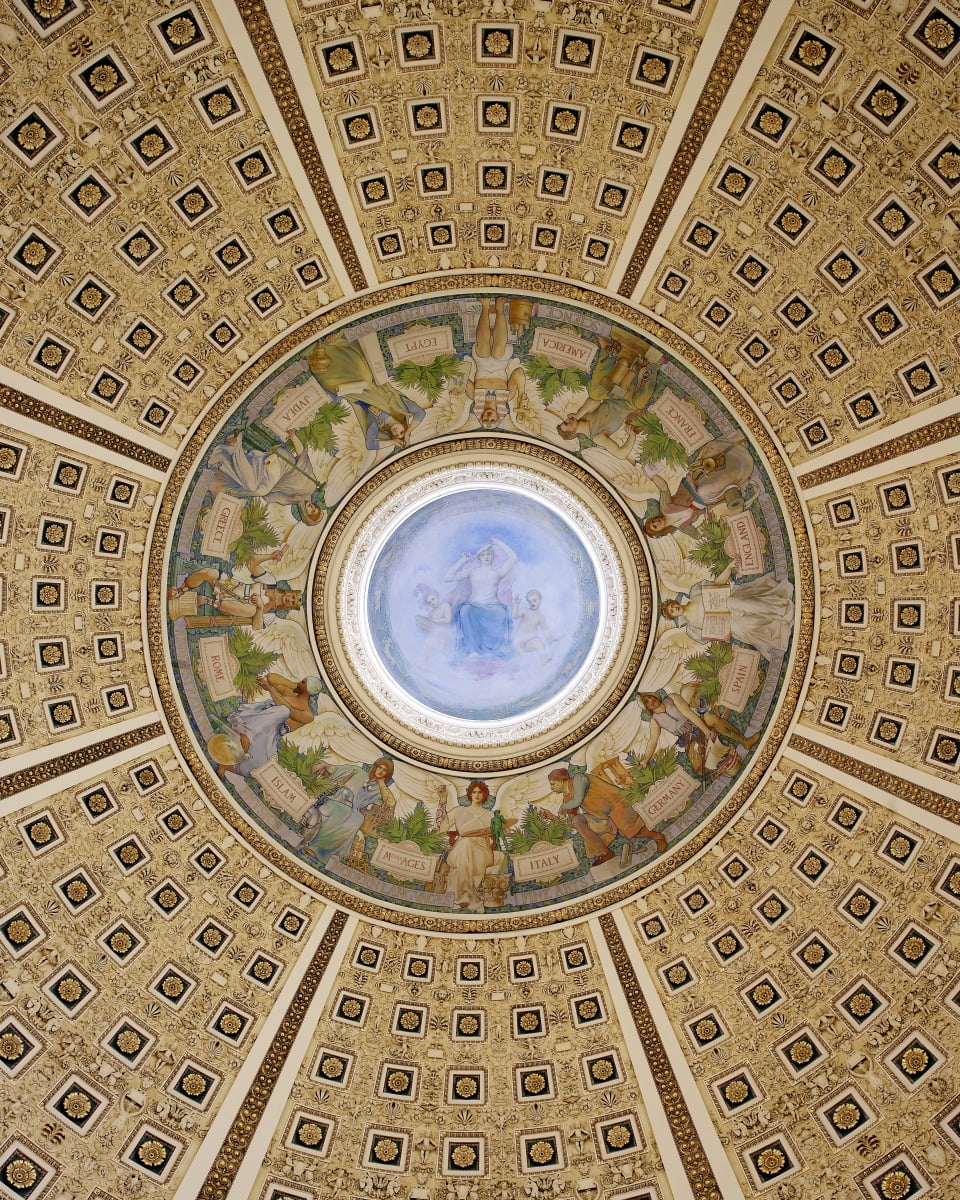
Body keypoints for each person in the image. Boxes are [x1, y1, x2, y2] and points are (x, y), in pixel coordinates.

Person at [308, 332, 424, 449]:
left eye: (395, 435)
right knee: (364, 376)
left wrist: (393, 443)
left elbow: (370, 445)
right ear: (405, 426)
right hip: (371, 384)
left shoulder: (378, 423)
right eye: (401, 432)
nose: (397, 432)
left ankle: (317, 354)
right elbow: (421, 412)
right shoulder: (401, 409)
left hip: (356, 393)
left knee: (331, 384)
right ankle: (334, 343)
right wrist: (409, 432)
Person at [661, 563, 794, 660]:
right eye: (672, 611)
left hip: (728, 601)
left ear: (675, 602)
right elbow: (712, 635)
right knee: (744, 626)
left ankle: (781, 609)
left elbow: (717, 583)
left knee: (741, 603)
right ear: (674, 616)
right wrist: (723, 637)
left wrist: (728, 567)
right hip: (729, 624)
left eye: (672, 606)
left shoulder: (695, 591)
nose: (674, 609)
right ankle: (778, 625)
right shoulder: (692, 630)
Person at [549, 765, 667, 864]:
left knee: (631, 831)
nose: (551, 788)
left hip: (617, 805)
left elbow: (578, 800)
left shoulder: (579, 779)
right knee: (577, 821)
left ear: (561, 780)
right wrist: (552, 817)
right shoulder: (567, 798)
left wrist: (563, 807)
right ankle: (607, 853)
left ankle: (657, 836)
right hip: (602, 817)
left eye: (553, 784)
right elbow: (567, 821)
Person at [642, 438, 755, 538]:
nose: (656, 522)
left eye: (653, 521)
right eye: (655, 526)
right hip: (707, 501)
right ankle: (740, 472)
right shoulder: (683, 526)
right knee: (719, 488)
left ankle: (737, 452)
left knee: (709, 486)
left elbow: (663, 488)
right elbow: (697, 535)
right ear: (661, 531)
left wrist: (652, 476)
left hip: (693, 487)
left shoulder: (665, 508)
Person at [444, 537, 517, 662]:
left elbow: (513, 559)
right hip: (474, 606)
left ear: (492, 556)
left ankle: (494, 651)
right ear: (479, 558)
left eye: (489, 554)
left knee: (501, 612)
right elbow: (447, 577)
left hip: (493, 607)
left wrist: (498, 543)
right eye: (483, 555)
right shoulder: (472, 571)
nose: (486, 557)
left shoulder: (498, 572)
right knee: (465, 610)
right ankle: (473, 651)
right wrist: (462, 560)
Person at [637, 692, 736, 779]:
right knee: (698, 768)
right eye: (646, 701)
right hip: (688, 739)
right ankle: (720, 766)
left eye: (649, 696)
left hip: (698, 724)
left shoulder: (671, 698)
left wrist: (706, 731)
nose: (650, 699)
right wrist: (646, 760)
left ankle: (744, 741)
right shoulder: (655, 721)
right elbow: (653, 741)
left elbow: (689, 714)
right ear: (647, 708)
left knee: (713, 720)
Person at [467, 297, 525, 427]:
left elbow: (463, 380)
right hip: (500, 364)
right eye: (492, 420)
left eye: (485, 420)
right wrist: (522, 393)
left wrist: (456, 388)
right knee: (498, 351)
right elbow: (518, 373)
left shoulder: (474, 397)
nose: (488, 417)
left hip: (482, 365)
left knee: (483, 349)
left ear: (480, 415)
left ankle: (485, 307)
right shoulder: (507, 397)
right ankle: (499, 308)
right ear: (498, 416)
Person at [443, 781, 497, 911]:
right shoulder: (459, 811)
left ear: (485, 795)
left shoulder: (491, 815)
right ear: (469, 794)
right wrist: (442, 799)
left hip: (482, 853)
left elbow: (497, 836)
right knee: (465, 844)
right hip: (458, 852)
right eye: (474, 792)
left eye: (480, 792)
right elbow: (442, 825)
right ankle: (470, 895)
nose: (477, 795)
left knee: (467, 844)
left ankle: (462, 896)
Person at [356, 757, 398, 835]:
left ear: (387, 774)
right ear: (376, 767)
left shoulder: (380, 788)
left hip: (362, 819)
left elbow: (391, 803)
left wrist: (381, 783)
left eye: (385, 770)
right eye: (379, 767)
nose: (381, 771)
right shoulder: (364, 778)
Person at [514, 590, 555, 664]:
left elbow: (546, 631)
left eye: (534, 600)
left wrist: (551, 641)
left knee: (538, 641)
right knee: (518, 659)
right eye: (529, 602)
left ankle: (544, 661)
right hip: (519, 641)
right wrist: (516, 604)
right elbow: (514, 616)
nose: (532, 603)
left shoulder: (541, 617)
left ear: (540, 600)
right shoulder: (525, 610)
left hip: (528, 643)